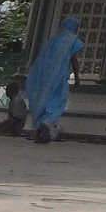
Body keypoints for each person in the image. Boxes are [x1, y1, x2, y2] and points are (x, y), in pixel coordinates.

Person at [25, 16, 84, 144]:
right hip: (59, 76)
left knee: (44, 100)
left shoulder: (54, 39)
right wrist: (77, 76)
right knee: (58, 101)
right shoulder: (72, 40)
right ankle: (47, 123)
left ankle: (41, 128)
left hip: (44, 77)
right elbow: (73, 59)